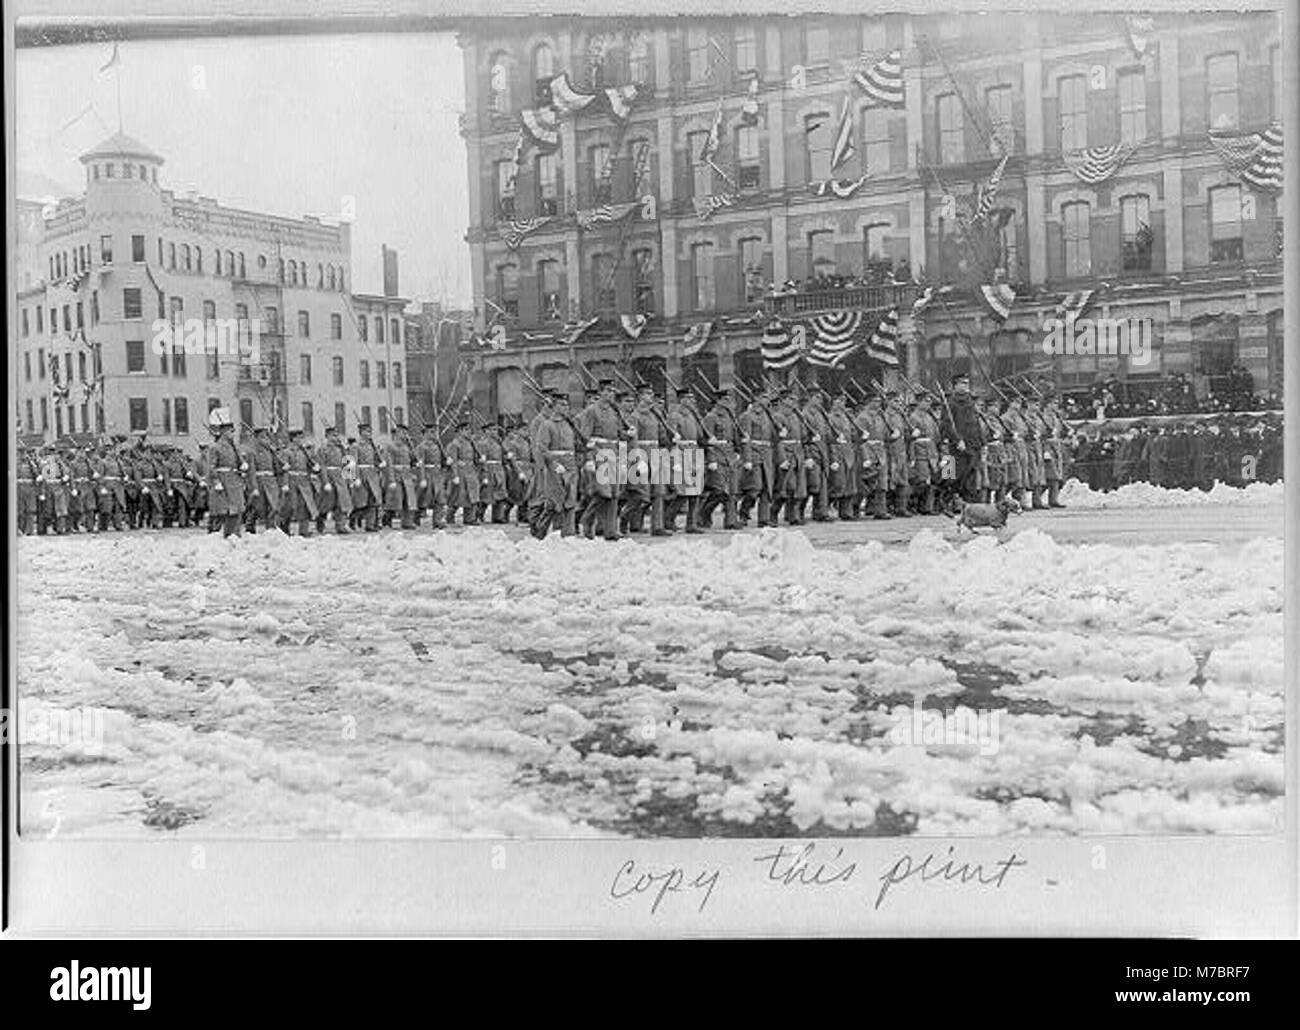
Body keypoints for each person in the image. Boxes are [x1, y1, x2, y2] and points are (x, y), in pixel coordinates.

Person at [577, 380, 626, 541]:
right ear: (601, 393)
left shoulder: (614, 411)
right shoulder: (591, 411)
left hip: (614, 453)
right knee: (602, 492)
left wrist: (628, 434)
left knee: (614, 494)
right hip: (599, 453)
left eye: (612, 391)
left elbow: (619, 434)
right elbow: (585, 437)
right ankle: (587, 519)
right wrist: (589, 458)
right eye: (608, 391)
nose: (611, 394)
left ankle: (610, 530)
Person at [938, 373, 985, 502]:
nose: (966, 386)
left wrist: (982, 442)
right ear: (955, 386)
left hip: (973, 444)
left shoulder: (971, 402)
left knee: (971, 476)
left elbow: (976, 423)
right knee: (953, 475)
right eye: (962, 383)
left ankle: (969, 504)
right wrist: (957, 439)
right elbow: (947, 425)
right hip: (959, 446)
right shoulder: (950, 403)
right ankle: (947, 501)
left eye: (967, 383)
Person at [736, 385, 777, 527]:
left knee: (766, 488)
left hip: (766, 454)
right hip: (754, 453)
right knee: (755, 488)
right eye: (764, 397)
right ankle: (744, 512)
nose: (767, 400)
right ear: (755, 398)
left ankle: (763, 519)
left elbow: (773, 436)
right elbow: (745, 439)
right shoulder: (747, 416)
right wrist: (746, 458)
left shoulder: (768, 415)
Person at [205, 407, 247, 537]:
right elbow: (211, 467)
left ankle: (235, 534)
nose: (233, 434)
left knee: (237, 509)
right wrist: (216, 481)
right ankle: (222, 534)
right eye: (231, 432)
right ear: (224, 432)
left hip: (234, 480)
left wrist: (242, 465)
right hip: (223, 481)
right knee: (225, 510)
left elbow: (237, 462)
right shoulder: (215, 447)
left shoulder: (234, 447)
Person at [853, 390, 892, 519]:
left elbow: (885, 435)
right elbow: (859, 438)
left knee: (882, 484)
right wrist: (865, 457)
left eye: (879, 401)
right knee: (866, 482)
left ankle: (880, 511)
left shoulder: (880, 417)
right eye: (875, 401)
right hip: (868, 450)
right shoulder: (862, 417)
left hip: (880, 451)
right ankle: (854, 507)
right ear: (868, 402)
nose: (878, 403)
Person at [280, 427, 321, 536]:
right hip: (292, 482)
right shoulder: (287, 452)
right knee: (291, 506)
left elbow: (309, 465)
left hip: (304, 482)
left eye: (301, 438)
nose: (301, 440)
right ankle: (284, 529)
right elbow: (284, 469)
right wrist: (285, 484)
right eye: (298, 438)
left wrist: (315, 468)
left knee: (305, 505)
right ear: (293, 439)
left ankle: (304, 530)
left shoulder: (304, 452)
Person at [315, 424, 354, 535]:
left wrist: (350, 480)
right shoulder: (322, 450)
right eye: (332, 435)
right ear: (327, 436)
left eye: (336, 435)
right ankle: (320, 518)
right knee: (327, 503)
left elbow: (347, 462)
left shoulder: (341, 449)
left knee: (342, 503)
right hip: (329, 477)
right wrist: (325, 481)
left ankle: (340, 525)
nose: (335, 438)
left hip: (340, 478)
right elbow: (322, 466)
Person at [444, 417, 481, 526]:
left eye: (469, 429)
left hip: (471, 472)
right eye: (466, 429)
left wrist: (479, 462)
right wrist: (455, 475)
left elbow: (474, 457)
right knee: (457, 496)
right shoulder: (455, 444)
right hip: (460, 473)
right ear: (460, 431)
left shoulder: (471, 443)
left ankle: (469, 518)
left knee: (472, 496)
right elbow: (453, 461)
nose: (469, 432)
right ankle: (449, 516)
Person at [352, 421, 387, 531]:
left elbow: (376, 460)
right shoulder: (355, 446)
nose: (369, 433)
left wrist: (380, 463)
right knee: (361, 502)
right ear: (361, 432)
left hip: (372, 475)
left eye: (370, 431)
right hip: (361, 474)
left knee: (374, 500)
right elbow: (351, 463)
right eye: (367, 431)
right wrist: (354, 478)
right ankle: (352, 518)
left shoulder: (372, 446)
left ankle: (370, 525)